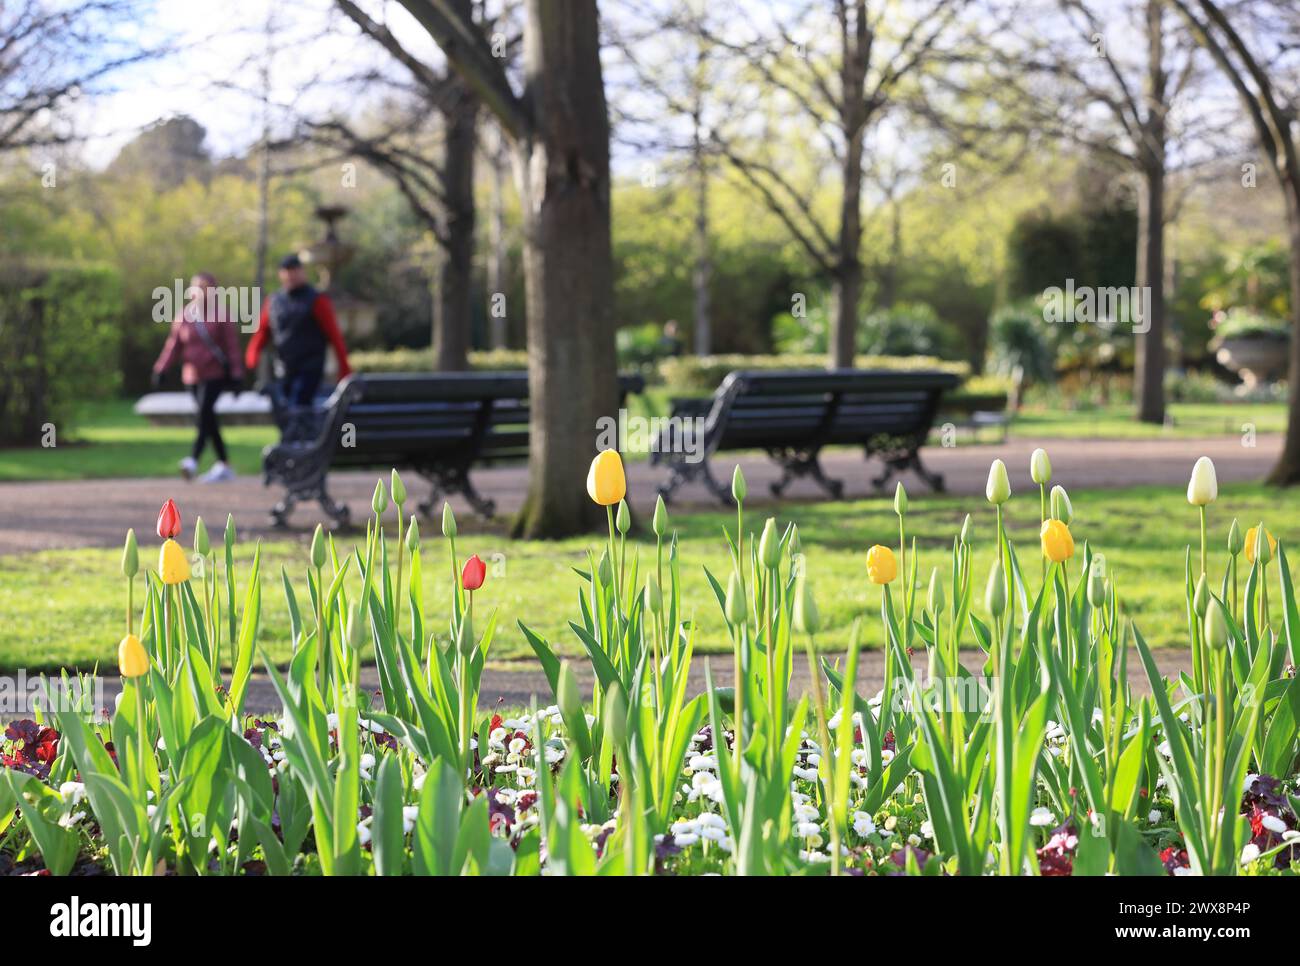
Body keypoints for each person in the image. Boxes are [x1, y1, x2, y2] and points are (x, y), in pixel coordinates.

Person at [152, 272, 245, 482]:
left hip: (215, 375)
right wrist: (161, 368)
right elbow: (174, 345)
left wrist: (237, 375)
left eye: (205, 287)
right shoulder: (185, 315)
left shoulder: (221, 315)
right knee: (208, 419)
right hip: (192, 377)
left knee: (204, 413)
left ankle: (192, 460)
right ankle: (224, 465)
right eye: (197, 287)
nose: (200, 291)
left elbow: (232, 348)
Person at [245, 254, 352, 429]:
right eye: (287, 271)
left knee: (299, 405)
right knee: (287, 408)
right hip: (285, 367)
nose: (291, 275)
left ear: (302, 272)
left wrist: (344, 369)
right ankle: (300, 442)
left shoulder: (317, 300)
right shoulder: (274, 301)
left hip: (310, 366)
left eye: (295, 271)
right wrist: (252, 356)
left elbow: (335, 336)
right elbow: (262, 332)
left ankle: (297, 445)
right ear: (281, 274)